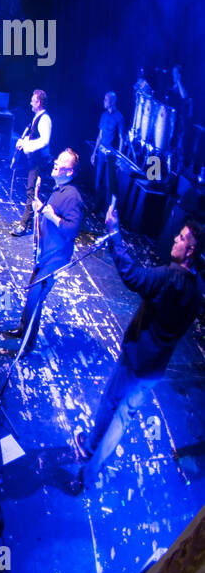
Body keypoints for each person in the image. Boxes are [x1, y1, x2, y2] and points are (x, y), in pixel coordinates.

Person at [70, 209, 202, 492]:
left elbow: (132, 276)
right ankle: (91, 474)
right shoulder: (197, 292)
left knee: (110, 403)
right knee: (124, 416)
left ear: (190, 250)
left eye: (179, 239)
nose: (173, 242)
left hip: (134, 361)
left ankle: (90, 447)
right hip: (155, 368)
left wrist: (115, 233)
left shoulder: (167, 277)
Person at [1, 149, 84, 354]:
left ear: (70, 172)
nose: (56, 164)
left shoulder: (73, 197)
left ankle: (27, 345)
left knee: (35, 297)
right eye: (57, 160)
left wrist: (50, 214)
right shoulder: (59, 190)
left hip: (55, 258)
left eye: (61, 163)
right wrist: (41, 210)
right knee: (32, 294)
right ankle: (23, 330)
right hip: (45, 254)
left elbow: (72, 230)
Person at [11, 89, 53, 236]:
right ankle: (28, 222)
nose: (30, 103)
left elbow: (45, 140)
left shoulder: (45, 119)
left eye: (32, 100)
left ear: (39, 102)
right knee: (31, 191)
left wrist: (28, 146)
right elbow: (34, 136)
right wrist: (24, 142)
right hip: (34, 160)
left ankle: (24, 225)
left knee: (32, 191)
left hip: (39, 161)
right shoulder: (37, 117)